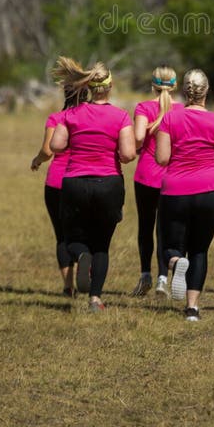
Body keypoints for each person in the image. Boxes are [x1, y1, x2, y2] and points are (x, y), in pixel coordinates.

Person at [50, 57, 136, 312]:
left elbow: (56, 146)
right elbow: (129, 154)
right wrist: (117, 154)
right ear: (109, 87)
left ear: (88, 87)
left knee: (71, 239)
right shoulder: (120, 116)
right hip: (108, 184)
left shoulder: (72, 114)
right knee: (102, 244)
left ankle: (80, 255)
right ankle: (96, 299)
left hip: (75, 183)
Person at [155, 68, 214, 322]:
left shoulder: (170, 119)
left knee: (171, 246)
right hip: (211, 192)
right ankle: (192, 309)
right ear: (207, 91)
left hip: (176, 191)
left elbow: (162, 158)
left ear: (184, 92)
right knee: (200, 249)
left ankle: (175, 263)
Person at [131, 65, 181, 298]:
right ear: (174, 86)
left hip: (145, 176)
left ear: (153, 85)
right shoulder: (180, 110)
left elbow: (139, 137)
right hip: (172, 177)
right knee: (165, 229)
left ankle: (145, 276)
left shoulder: (143, 107)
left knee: (145, 226)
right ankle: (163, 279)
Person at [30, 83, 84, 297]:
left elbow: (47, 150)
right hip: (83, 181)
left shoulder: (57, 118)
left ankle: (68, 286)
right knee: (83, 232)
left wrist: (37, 160)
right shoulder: (90, 117)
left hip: (56, 183)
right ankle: (84, 260)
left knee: (62, 237)